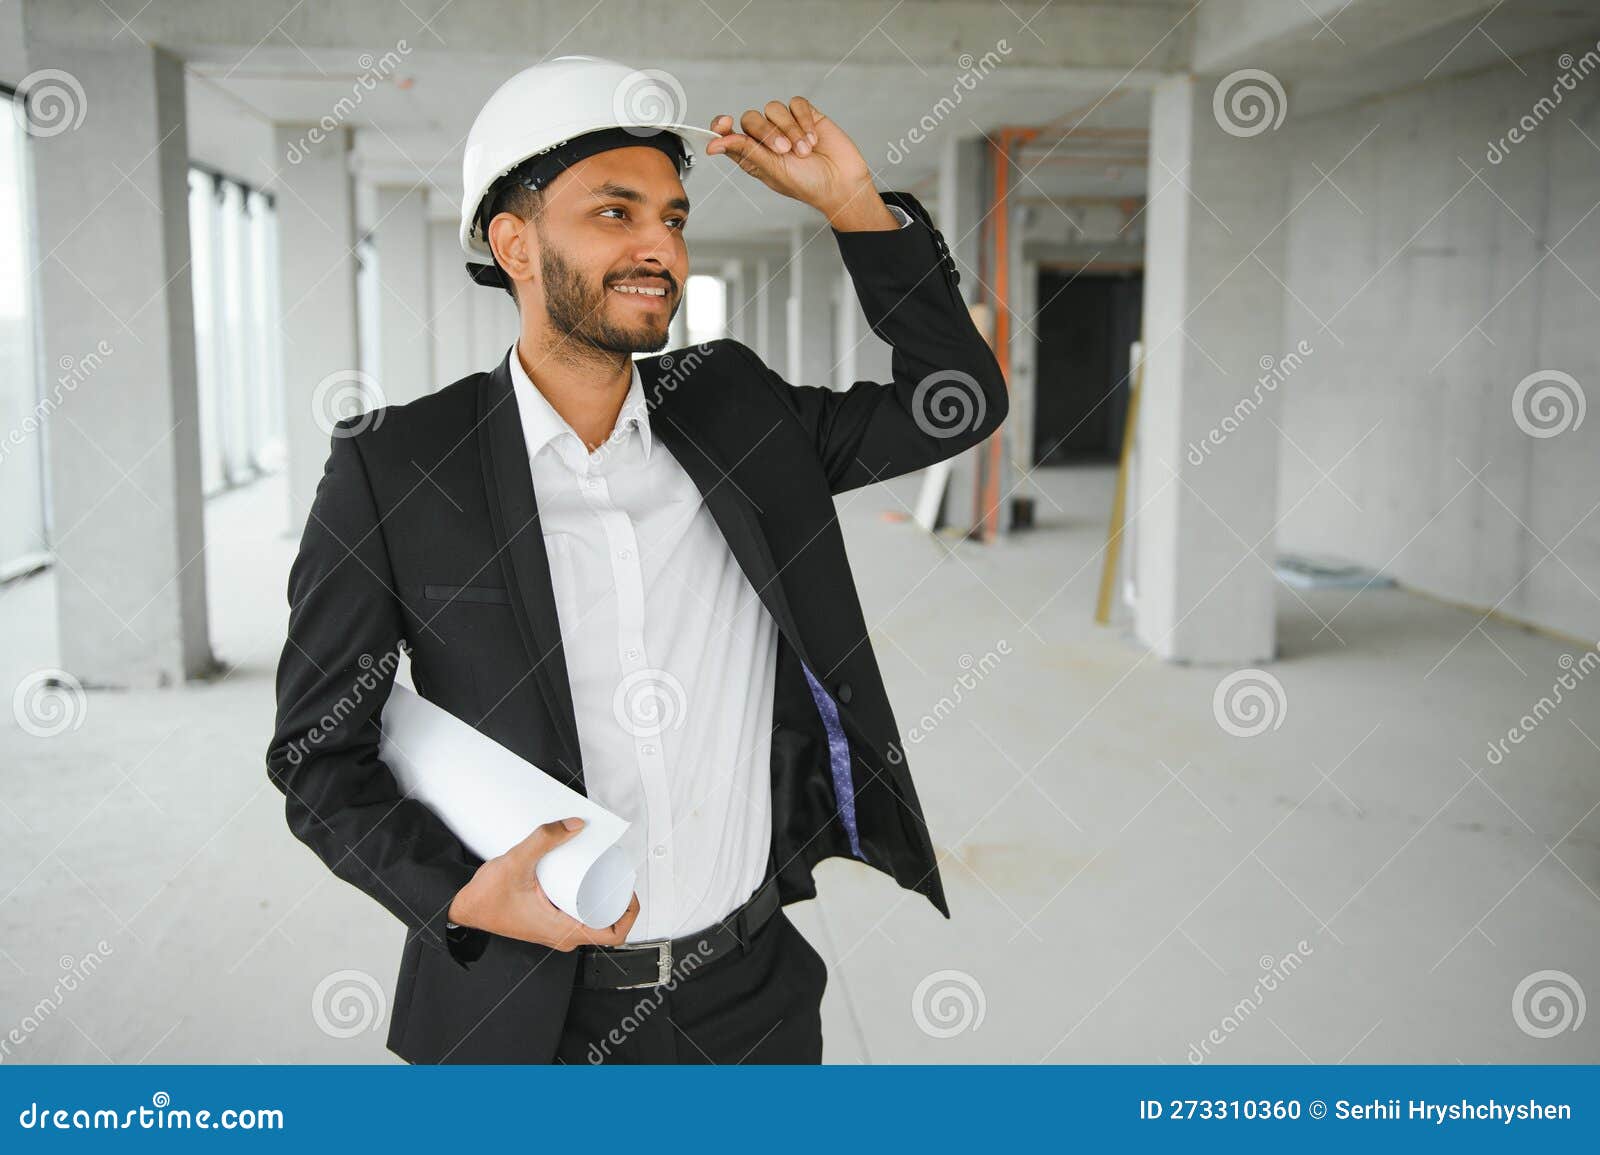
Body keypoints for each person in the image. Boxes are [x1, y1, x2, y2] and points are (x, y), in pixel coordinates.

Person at [265, 54, 1008, 1064]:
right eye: (615, 212)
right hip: (526, 1021)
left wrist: (855, 210)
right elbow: (318, 756)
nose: (660, 245)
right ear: (514, 244)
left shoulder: (738, 411)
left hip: (751, 1002)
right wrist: (458, 894)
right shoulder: (398, 466)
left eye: (673, 218)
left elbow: (954, 404)